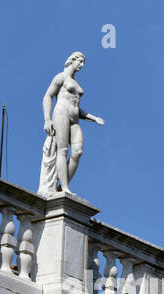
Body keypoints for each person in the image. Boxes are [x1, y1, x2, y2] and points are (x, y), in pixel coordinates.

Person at [39, 52, 105, 198]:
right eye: (80, 62)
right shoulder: (61, 77)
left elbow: (77, 107)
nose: (81, 66)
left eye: (83, 63)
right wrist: (47, 119)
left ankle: (59, 185)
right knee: (62, 150)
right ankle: (65, 188)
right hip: (60, 114)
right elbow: (48, 96)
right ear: (72, 60)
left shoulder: (76, 83)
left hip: (75, 119)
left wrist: (93, 118)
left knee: (77, 152)